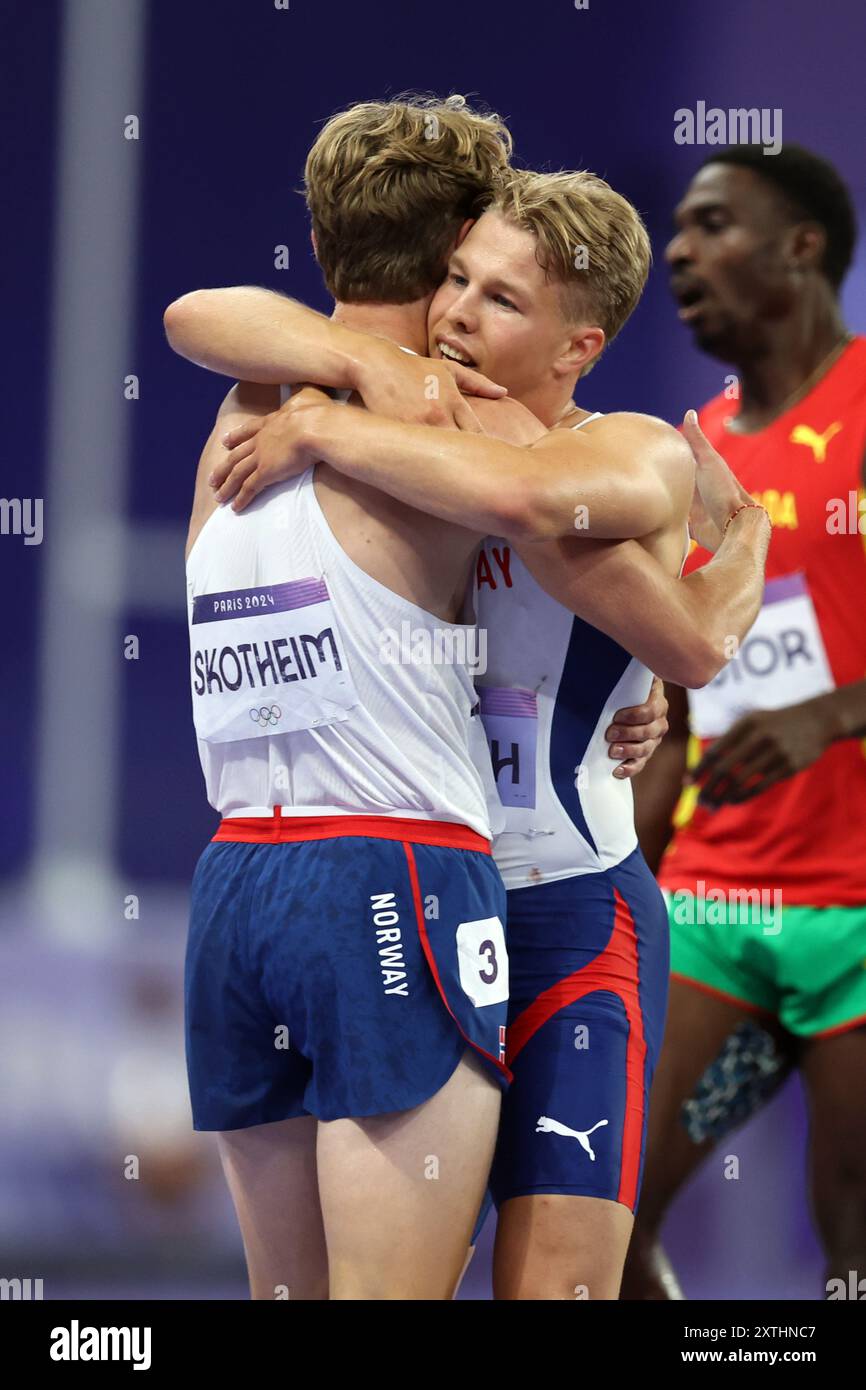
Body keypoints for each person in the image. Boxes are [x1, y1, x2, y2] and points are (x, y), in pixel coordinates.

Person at [168, 155, 771, 1298]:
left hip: (564, 922)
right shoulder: (406, 404)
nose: (452, 312)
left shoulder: (611, 450)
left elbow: (682, 635)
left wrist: (743, 541)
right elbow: (202, 314)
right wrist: (339, 375)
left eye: (499, 299)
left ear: (575, 348)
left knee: (558, 1290)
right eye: (454, 278)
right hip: (421, 896)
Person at [620, 144, 866, 1300]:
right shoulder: (688, 466)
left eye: (711, 224)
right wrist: (612, 888)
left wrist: (834, 713)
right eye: (672, 229)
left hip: (858, 916)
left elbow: (813, 698)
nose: (676, 250)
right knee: (591, 1220)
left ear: (800, 246)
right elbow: (676, 708)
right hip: (714, 905)